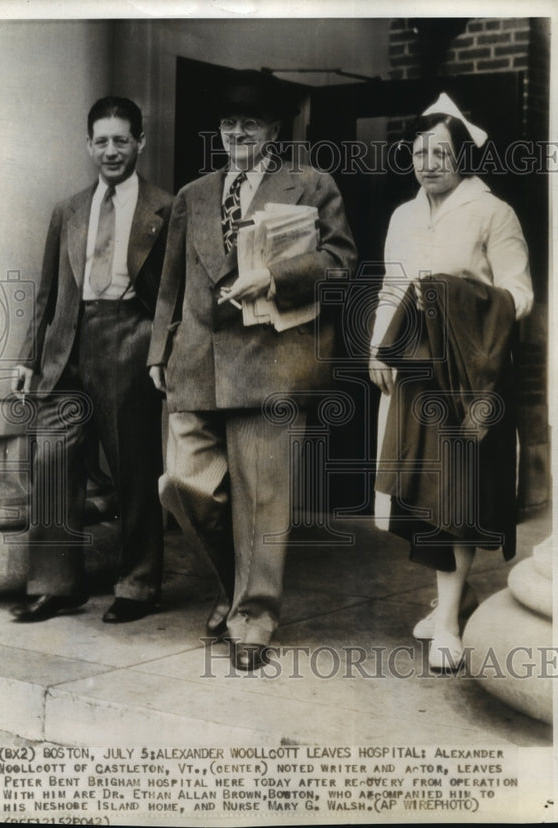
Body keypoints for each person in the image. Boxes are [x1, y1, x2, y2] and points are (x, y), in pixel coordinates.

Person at [148, 69, 357, 671]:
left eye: (251, 123)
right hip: (196, 362)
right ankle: (233, 591)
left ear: (273, 130)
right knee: (183, 486)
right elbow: (171, 282)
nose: (237, 132)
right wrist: (158, 351)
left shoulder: (311, 184)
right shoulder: (193, 193)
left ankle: (254, 617)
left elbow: (341, 262)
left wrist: (278, 276)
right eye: (229, 122)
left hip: (271, 364)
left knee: (263, 501)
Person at [369, 93, 533, 671]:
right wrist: (378, 350)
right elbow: (393, 285)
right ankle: (451, 600)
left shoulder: (494, 213)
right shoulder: (403, 216)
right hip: (416, 371)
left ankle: (445, 622)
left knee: (460, 495)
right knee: (424, 494)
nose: (428, 161)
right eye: (419, 151)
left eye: (440, 151)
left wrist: (453, 299)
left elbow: (520, 295)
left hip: (470, 377)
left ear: (463, 157)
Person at [10, 97, 172, 624]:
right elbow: (48, 290)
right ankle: (58, 586)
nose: (110, 151)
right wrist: (30, 356)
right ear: (88, 145)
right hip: (66, 347)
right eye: (101, 140)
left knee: (133, 468)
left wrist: (159, 350)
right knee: (52, 463)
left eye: (121, 140)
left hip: (128, 339)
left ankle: (138, 584)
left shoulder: (165, 209)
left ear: (140, 143)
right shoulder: (69, 209)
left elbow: (174, 294)